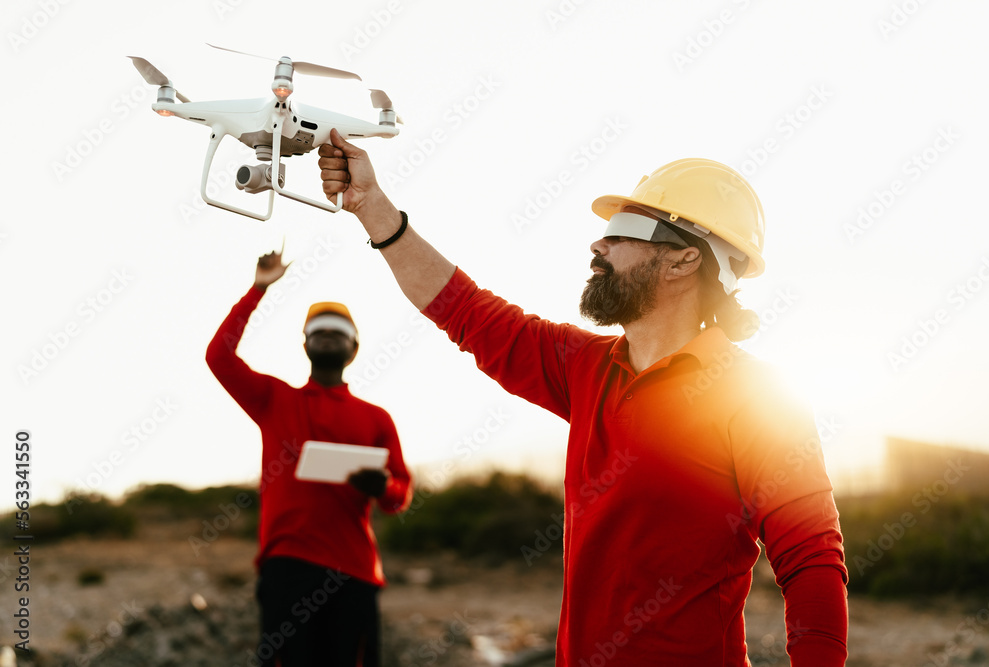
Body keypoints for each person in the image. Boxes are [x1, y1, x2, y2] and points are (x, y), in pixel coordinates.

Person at [316, 129, 848, 666]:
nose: (599, 245)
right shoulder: (584, 366)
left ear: (685, 260)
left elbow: (811, 561)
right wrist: (372, 206)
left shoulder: (757, 399)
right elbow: (464, 309)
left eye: (625, 231)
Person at [206, 248, 412, 666]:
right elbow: (219, 357)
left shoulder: (376, 418)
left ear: (354, 348)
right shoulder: (274, 400)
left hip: (354, 572)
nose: (328, 333)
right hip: (287, 566)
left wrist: (382, 487)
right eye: (318, 329)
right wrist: (258, 288)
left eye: (339, 330)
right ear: (305, 344)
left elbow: (399, 495)